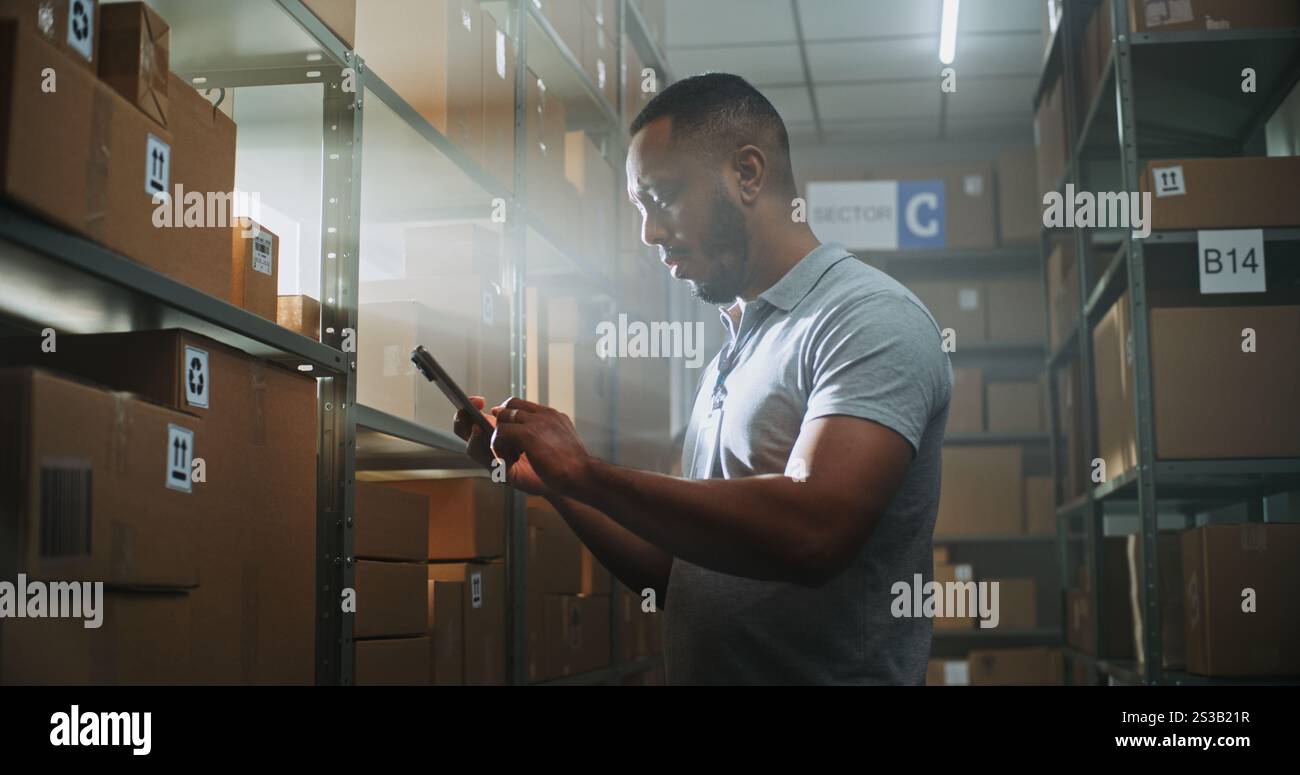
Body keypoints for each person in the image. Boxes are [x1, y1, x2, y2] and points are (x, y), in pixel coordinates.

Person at [453, 73, 952, 685]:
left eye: (661, 197)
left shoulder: (868, 317)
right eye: (639, 209)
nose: (649, 233)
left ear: (747, 174)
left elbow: (814, 530)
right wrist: (561, 485)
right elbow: (679, 573)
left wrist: (587, 470)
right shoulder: (730, 355)